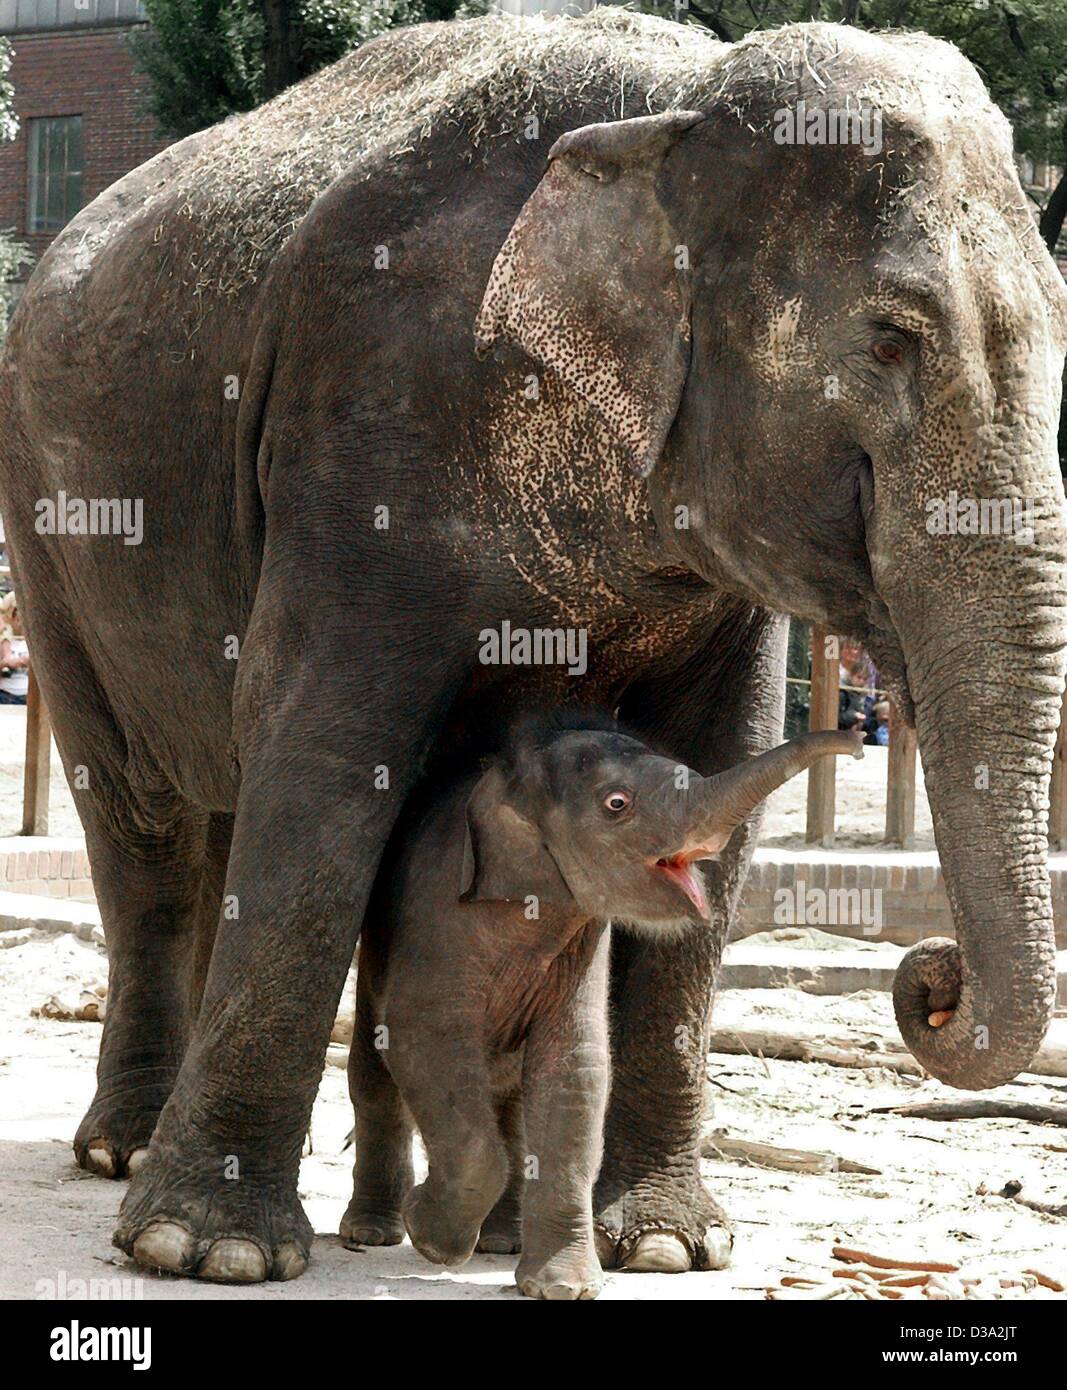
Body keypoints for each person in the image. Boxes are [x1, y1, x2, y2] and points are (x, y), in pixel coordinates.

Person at [0, 591, 29, 705]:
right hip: (5, 696)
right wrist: (6, 663)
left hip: (30, 697)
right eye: (16, 612)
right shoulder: (3, 640)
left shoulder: (34, 640)